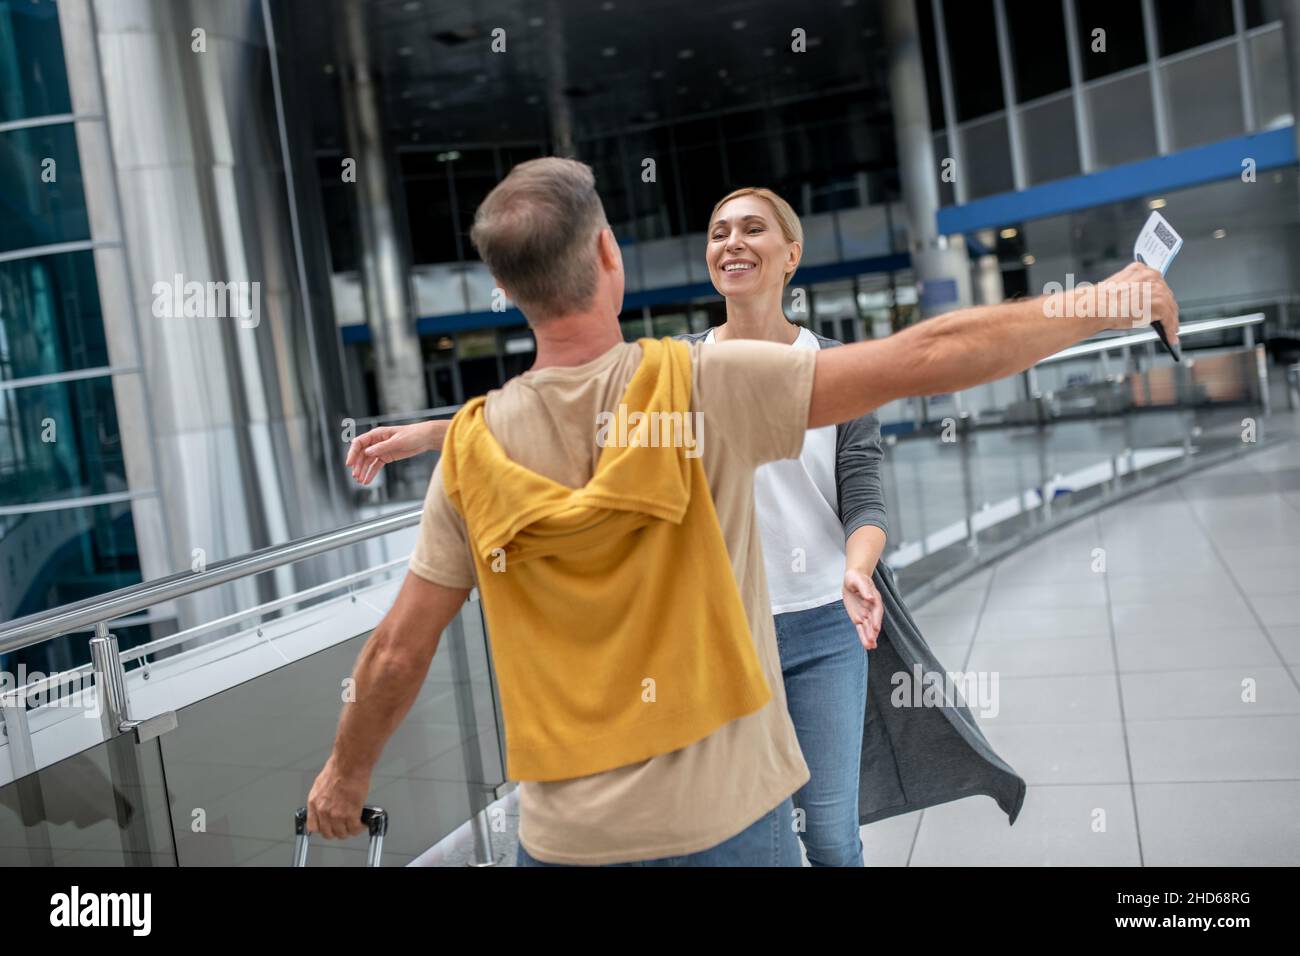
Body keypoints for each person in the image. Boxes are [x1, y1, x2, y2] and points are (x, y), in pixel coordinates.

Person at [310, 156, 1177, 866]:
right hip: (727, 823)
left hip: (563, 839)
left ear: (503, 284)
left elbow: (396, 651)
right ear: (609, 256)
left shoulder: (471, 452)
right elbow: (934, 353)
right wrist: (1114, 296)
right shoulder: (695, 383)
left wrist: (344, 779)